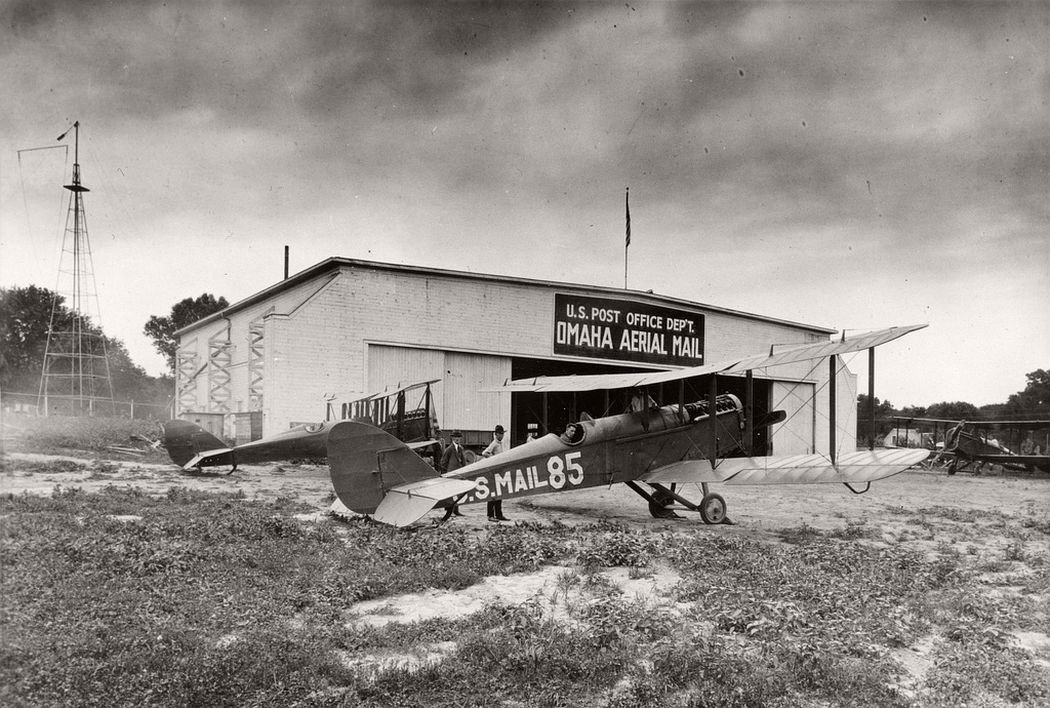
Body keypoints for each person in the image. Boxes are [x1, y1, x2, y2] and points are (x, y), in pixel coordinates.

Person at [482, 424, 509, 522]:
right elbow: (484, 453)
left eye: (502, 434)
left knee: (499, 494)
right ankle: (490, 515)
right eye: (500, 434)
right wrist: (493, 459)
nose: (502, 436)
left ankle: (499, 514)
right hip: (493, 472)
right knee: (493, 494)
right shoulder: (494, 443)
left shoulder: (500, 444)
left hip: (499, 472)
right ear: (496, 434)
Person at [439, 431, 467, 517]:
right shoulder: (449, 449)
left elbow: (463, 462)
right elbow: (443, 462)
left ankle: (456, 510)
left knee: (458, 493)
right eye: (456, 437)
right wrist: (445, 475)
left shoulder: (461, 449)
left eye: (459, 437)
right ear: (452, 438)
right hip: (451, 475)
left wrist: (464, 471)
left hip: (458, 474)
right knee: (451, 493)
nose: (457, 439)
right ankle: (450, 510)